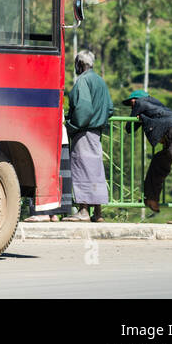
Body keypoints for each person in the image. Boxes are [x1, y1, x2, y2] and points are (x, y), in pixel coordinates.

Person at [124, 89, 172, 225]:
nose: (131, 106)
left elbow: (129, 128)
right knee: (159, 161)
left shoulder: (140, 102)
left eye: (130, 104)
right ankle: (151, 199)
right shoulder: (156, 104)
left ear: (134, 100)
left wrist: (138, 117)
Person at [65, 50, 112, 222]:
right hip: (96, 132)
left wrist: (71, 126)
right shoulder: (100, 81)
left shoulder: (83, 81)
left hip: (83, 132)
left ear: (79, 64)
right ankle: (98, 213)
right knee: (95, 170)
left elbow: (83, 111)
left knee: (82, 169)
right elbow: (110, 108)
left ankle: (83, 210)